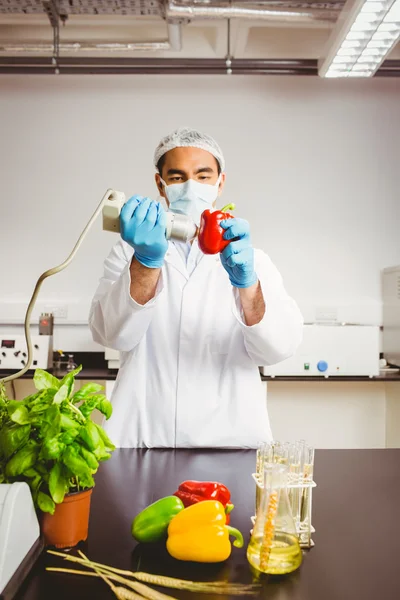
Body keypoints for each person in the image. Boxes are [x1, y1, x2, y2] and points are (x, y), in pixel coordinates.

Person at [89, 128, 303, 448]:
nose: (191, 186)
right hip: (144, 438)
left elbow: (277, 349)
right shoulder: (128, 252)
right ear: (160, 184)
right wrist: (146, 262)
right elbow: (112, 335)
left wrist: (247, 284)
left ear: (220, 182)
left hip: (230, 440)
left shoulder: (252, 259)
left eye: (203, 175)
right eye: (177, 177)